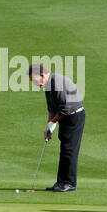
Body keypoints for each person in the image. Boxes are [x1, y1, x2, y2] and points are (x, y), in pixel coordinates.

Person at [29, 64, 84, 192]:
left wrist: (53, 123)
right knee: (64, 149)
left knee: (70, 150)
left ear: (42, 75)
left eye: (35, 80)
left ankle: (70, 183)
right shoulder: (48, 86)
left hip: (74, 116)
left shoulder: (57, 82)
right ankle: (60, 183)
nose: (35, 84)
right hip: (66, 117)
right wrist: (49, 128)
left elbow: (65, 108)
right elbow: (52, 109)